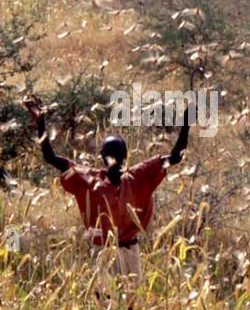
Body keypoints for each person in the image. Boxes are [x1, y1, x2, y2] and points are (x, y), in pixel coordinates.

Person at [24, 95, 189, 297]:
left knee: (110, 305)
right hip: (121, 251)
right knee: (127, 305)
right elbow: (175, 156)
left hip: (109, 250)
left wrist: (40, 123)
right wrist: (186, 122)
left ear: (102, 156)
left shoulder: (88, 179)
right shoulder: (136, 176)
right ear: (126, 155)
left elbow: (50, 157)